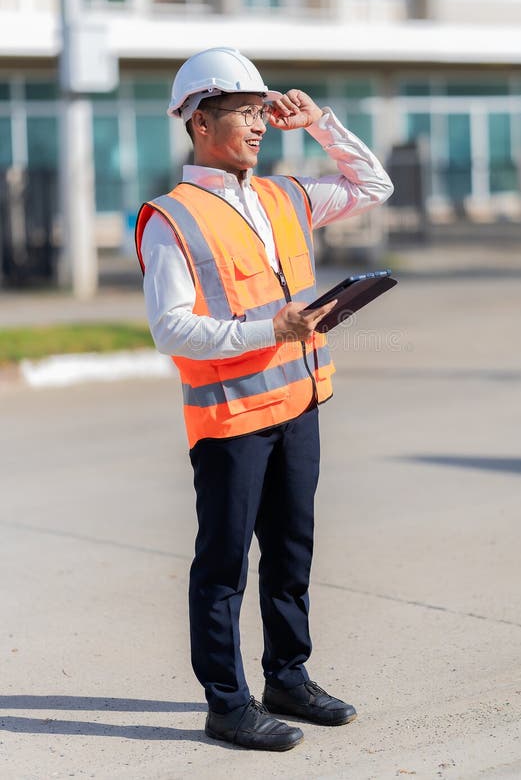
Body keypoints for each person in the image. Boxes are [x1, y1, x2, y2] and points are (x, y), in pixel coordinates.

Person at [135, 47, 393, 752]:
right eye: (244, 113)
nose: (257, 125)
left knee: (290, 553)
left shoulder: (283, 196)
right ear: (199, 122)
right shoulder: (172, 218)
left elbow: (373, 185)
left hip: (297, 405)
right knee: (223, 566)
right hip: (231, 420)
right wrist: (266, 328)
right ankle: (227, 703)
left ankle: (288, 677)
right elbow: (170, 326)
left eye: (260, 111)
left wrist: (321, 123)